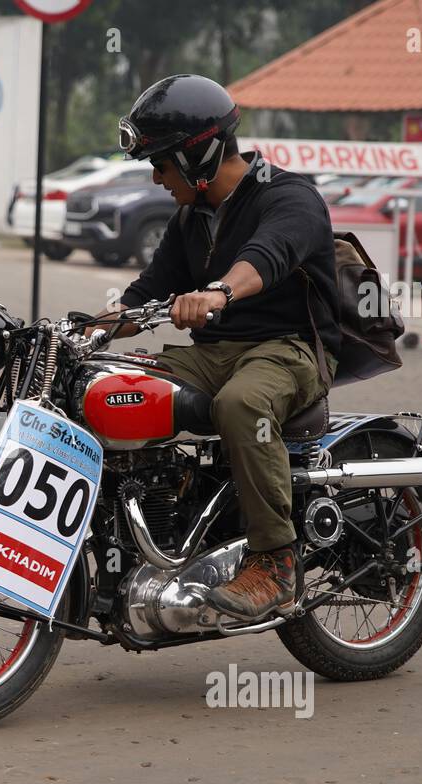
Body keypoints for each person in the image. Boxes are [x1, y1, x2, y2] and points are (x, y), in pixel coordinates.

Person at [107, 74, 341, 621]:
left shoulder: (289, 196)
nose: (157, 178)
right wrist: (89, 329)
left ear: (196, 157)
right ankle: (165, 517)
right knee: (115, 385)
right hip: (214, 353)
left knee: (241, 404)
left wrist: (219, 292)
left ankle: (277, 560)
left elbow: (269, 254)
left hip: (290, 348)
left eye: (161, 165)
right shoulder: (191, 217)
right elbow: (145, 293)